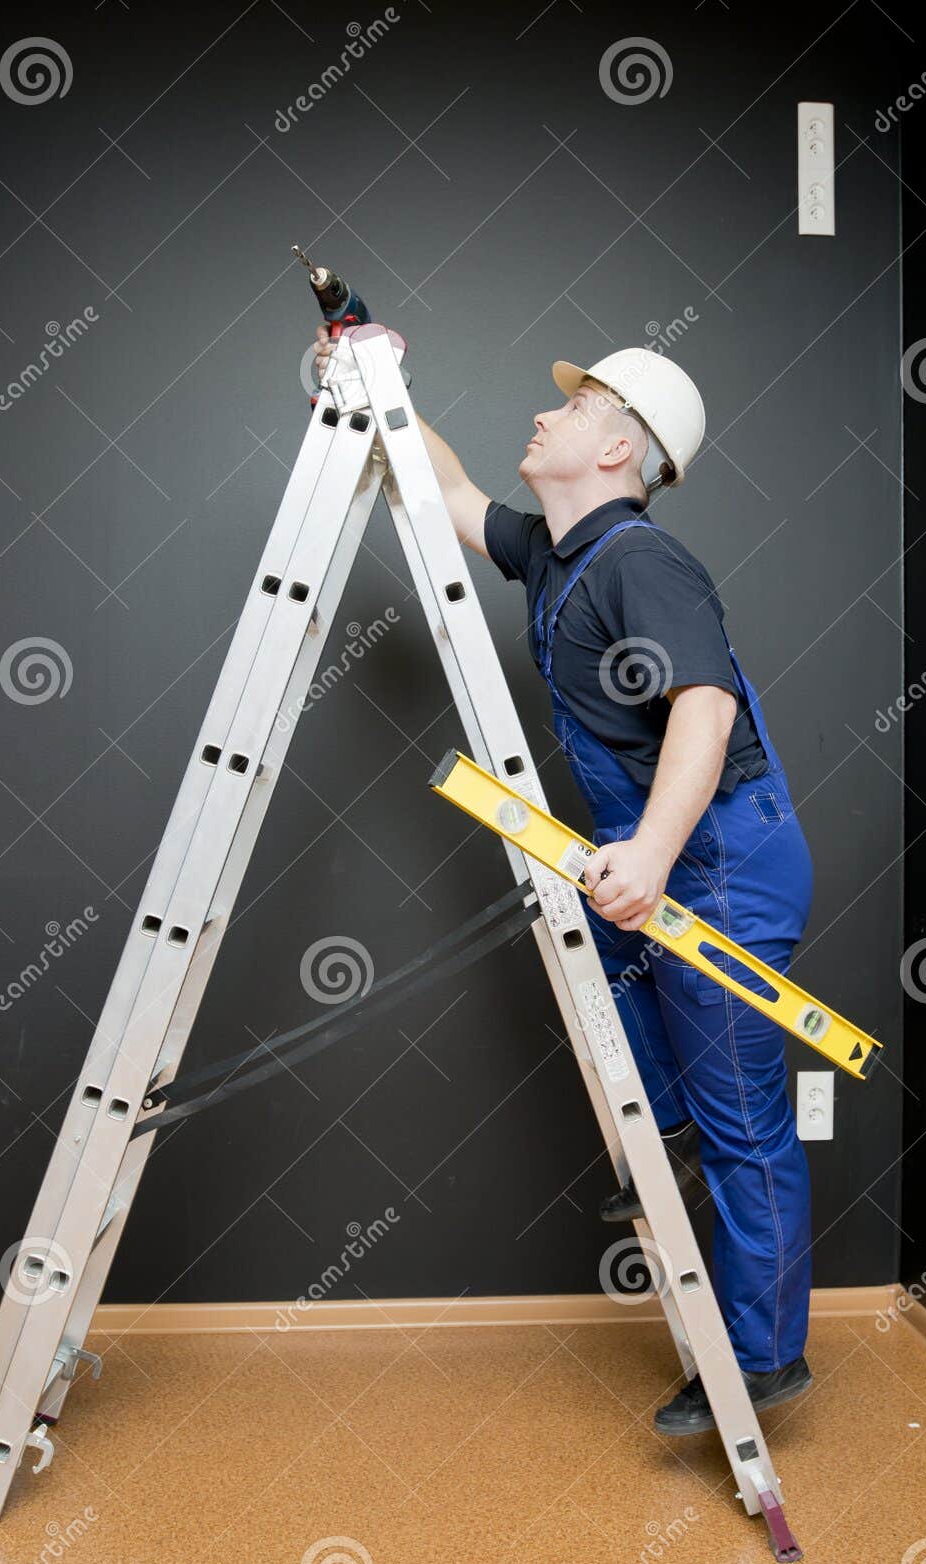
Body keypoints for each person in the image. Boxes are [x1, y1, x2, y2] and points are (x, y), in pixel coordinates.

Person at [312, 328, 816, 1435]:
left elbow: (704, 704)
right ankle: (702, 1228)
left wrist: (647, 853)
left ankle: (764, 1360)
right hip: (654, 843)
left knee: (739, 1121)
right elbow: (443, 484)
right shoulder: (556, 548)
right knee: (654, 1077)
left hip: (721, 854)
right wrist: (380, 368)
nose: (546, 415)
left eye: (575, 407)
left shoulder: (642, 561)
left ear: (620, 451)